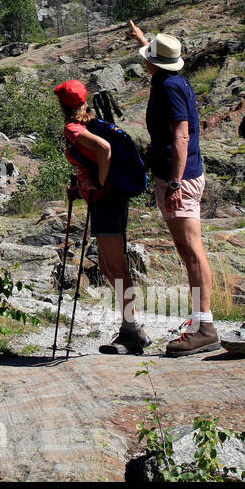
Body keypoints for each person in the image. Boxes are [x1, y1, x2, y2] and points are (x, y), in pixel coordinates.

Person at [127, 21, 221, 357]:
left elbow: (182, 135)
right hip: (182, 173)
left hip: (179, 176)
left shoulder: (168, 88)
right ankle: (200, 322)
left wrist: (176, 182)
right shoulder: (171, 79)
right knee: (188, 249)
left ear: (155, 64)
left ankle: (204, 326)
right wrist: (142, 39)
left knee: (191, 250)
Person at [54, 79, 149, 355]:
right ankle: (130, 326)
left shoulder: (73, 128)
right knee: (109, 265)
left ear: (62, 105)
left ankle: (132, 329)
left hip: (106, 201)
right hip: (108, 200)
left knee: (116, 267)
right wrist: (83, 185)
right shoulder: (91, 120)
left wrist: (99, 183)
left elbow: (104, 150)